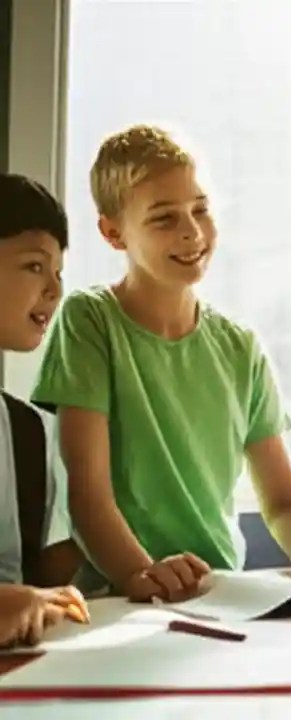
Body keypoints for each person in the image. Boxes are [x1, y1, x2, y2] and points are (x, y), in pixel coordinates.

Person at [32, 125, 291, 602]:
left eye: (200, 209)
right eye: (164, 218)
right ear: (113, 233)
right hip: (120, 595)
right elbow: (88, 494)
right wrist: (141, 574)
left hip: (218, 593)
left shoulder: (240, 347)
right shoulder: (90, 321)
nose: (192, 231)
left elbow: (284, 500)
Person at [0, 173, 89, 646]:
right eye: (35, 267)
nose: (55, 290)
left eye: (59, 271)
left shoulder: (27, 430)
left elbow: (36, 569)